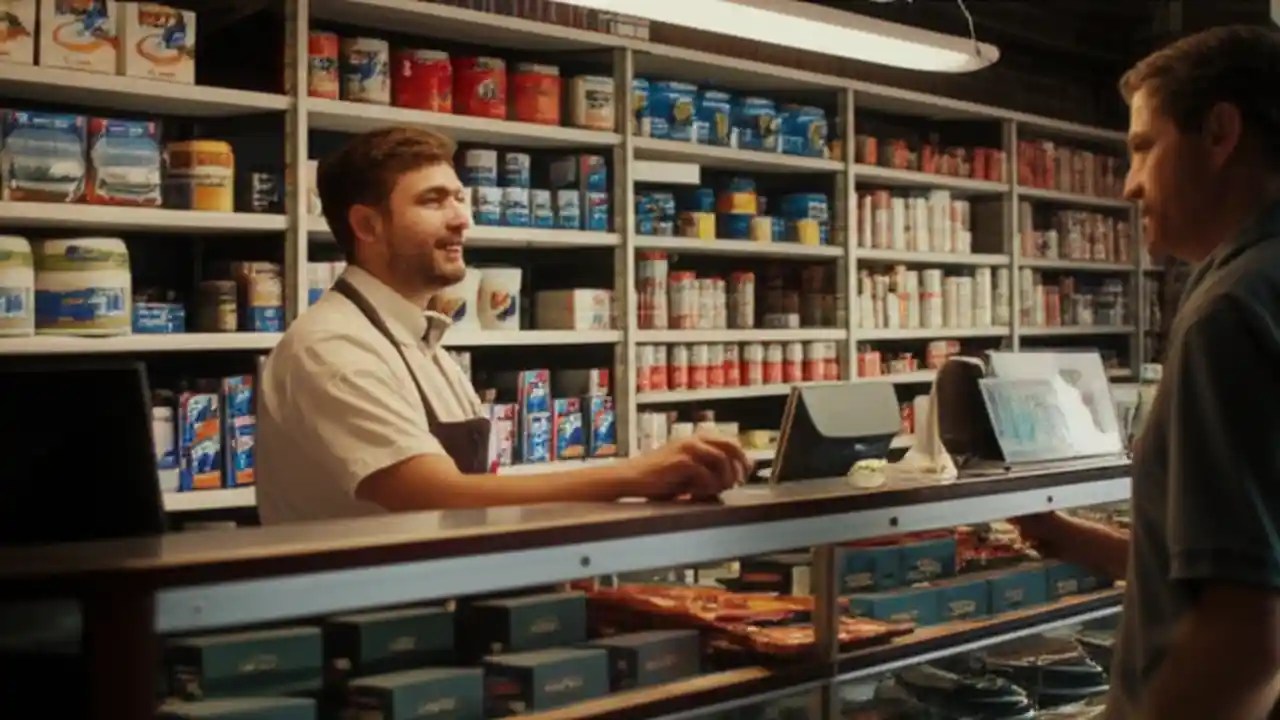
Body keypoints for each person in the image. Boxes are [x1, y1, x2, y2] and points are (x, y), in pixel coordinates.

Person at [255, 126, 749, 524]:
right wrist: (635, 476)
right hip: (360, 627)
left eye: (459, 198)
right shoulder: (333, 346)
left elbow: (483, 489)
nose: (461, 219)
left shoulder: (424, 343)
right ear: (366, 226)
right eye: (432, 201)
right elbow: (432, 494)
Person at [1013, 25, 1280, 720]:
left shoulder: (1228, 315)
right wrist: (1079, 541)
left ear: (1220, 133)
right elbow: (1242, 561)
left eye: (1142, 148)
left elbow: (1248, 631)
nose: (1130, 185)